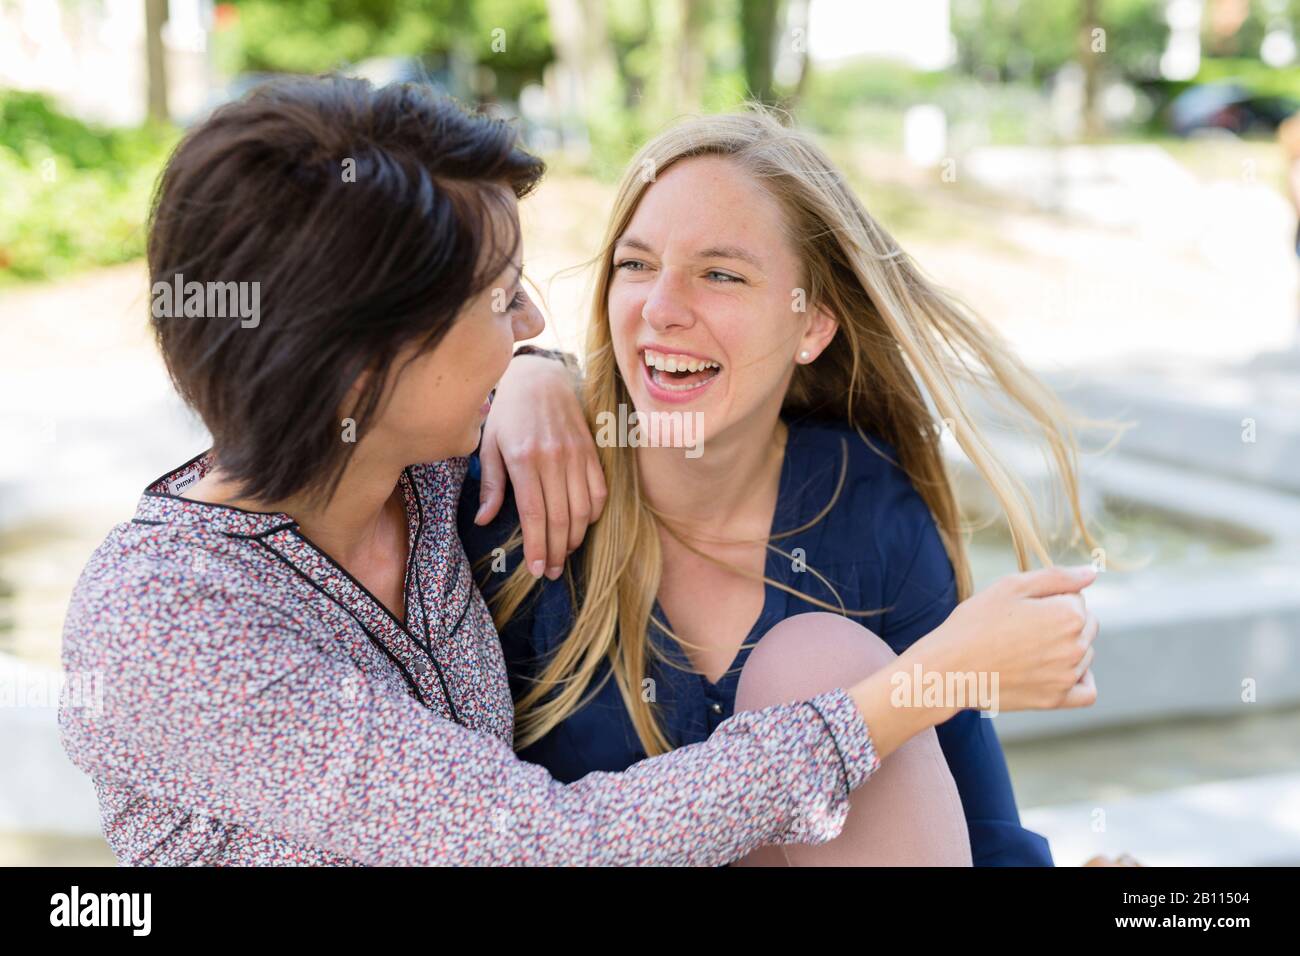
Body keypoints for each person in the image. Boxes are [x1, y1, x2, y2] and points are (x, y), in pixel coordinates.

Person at [59, 77, 1097, 866]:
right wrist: (904, 690)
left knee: (819, 648)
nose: (536, 321)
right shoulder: (167, 618)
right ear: (367, 353)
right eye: (499, 297)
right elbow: (547, 848)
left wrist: (539, 379)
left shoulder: (427, 485)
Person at [464, 110, 1106, 865]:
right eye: (636, 265)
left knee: (817, 660)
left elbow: (978, 827)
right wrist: (529, 367)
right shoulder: (513, 495)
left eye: (720, 274)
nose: (661, 310)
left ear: (813, 327)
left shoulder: (865, 509)